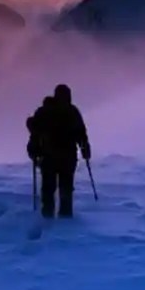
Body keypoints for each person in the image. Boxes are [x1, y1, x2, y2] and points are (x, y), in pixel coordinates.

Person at [26, 84, 91, 218]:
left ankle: (48, 216)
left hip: (49, 157)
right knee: (65, 187)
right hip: (66, 157)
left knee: (49, 188)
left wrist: (34, 150)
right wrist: (85, 149)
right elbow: (81, 134)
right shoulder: (72, 111)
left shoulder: (45, 111)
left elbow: (35, 133)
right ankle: (64, 216)